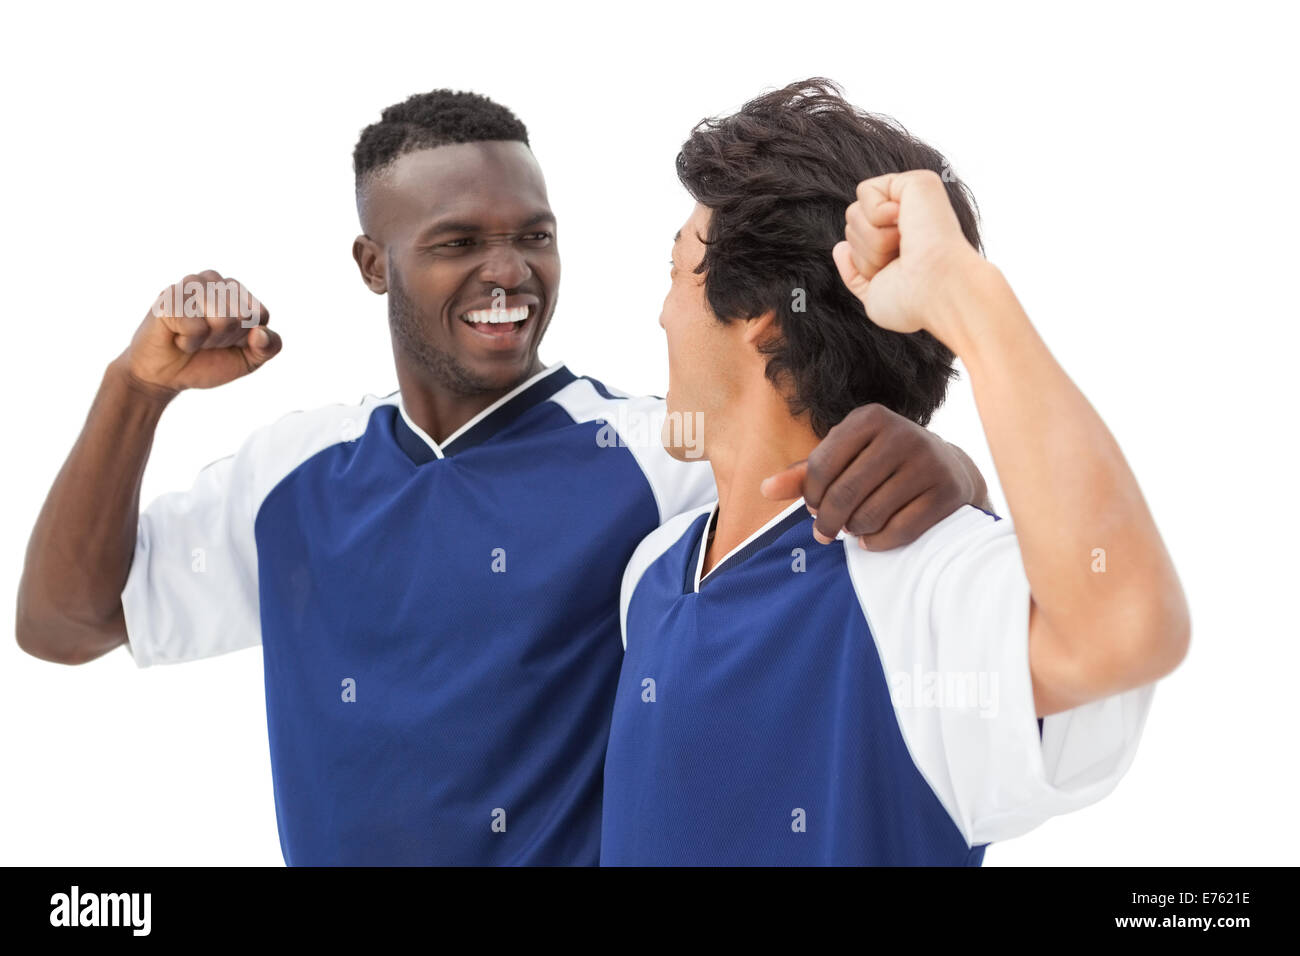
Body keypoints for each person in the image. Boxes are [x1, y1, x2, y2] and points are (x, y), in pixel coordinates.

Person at [14, 90, 994, 865]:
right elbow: (62, 622)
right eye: (458, 242)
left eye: (533, 234)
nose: (509, 271)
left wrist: (946, 460)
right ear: (372, 262)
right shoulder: (293, 472)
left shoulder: (653, 449)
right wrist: (135, 389)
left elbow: (803, 445)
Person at [601, 79, 1190, 865]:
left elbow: (1124, 629)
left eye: (677, 271)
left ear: (761, 317)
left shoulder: (920, 583)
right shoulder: (652, 573)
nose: (662, 313)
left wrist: (962, 295)